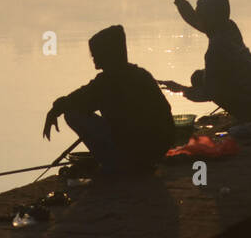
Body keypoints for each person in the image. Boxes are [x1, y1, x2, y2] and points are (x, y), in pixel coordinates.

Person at [155, 0, 251, 124]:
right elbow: (191, 17)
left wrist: (179, 89)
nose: (198, 18)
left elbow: (209, 93)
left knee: (211, 85)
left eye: (201, 14)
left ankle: (249, 117)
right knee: (199, 78)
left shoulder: (216, 49)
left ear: (212, 18)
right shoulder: (229, 27)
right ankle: (250, 112)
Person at [43, 25, 174, 175]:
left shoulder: (106, 82)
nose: (93, 59)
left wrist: (55, 110)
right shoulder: (141, 74)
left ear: (108, 54)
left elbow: (73, 102)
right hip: (157, 150)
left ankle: (113, 165)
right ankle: (128, 162)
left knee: (72, 114)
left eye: (95, 54)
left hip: (139, 148)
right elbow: (79, 98)